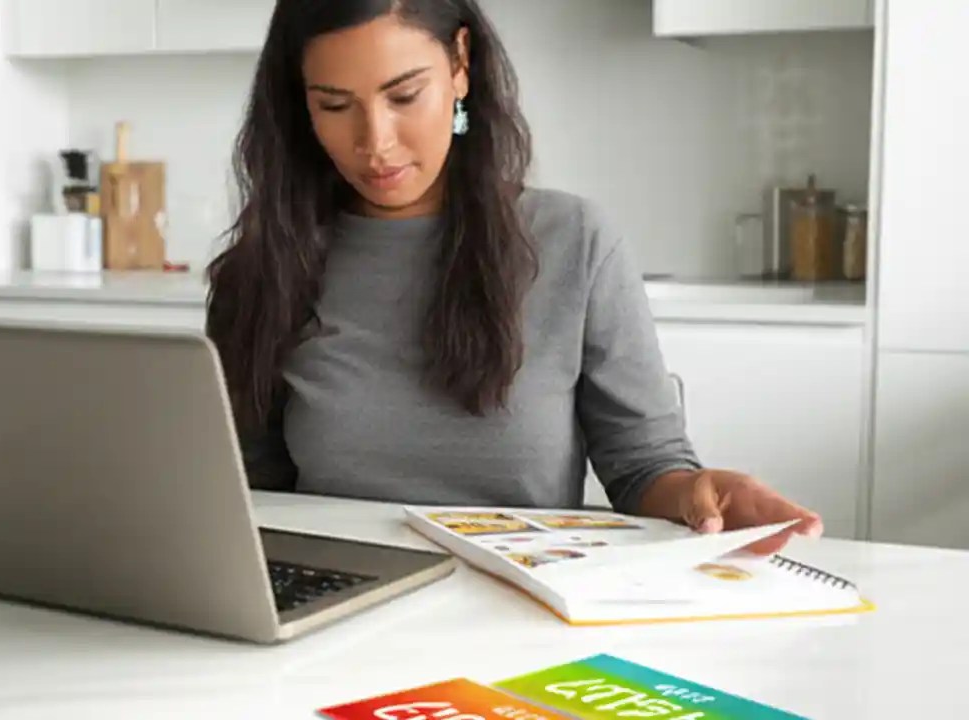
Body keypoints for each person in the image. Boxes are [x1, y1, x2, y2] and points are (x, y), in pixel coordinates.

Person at [204, 0, 822, 556]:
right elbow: (249, 498)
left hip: (525, 616)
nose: (376, 143)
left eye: (404, 96)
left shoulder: (573, 240)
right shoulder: (264, 271)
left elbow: (642, 469)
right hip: (335, 615)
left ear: (460, 64)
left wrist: (698, 492)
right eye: (334, 106)